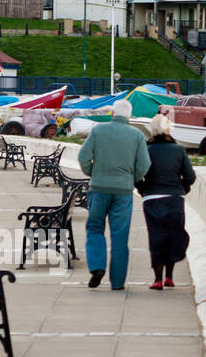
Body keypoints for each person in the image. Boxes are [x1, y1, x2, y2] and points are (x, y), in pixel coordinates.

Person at [77, 98, 150, 291]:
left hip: (98, 189)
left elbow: (83, 157)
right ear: (130, 116)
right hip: (123, 193)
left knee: (94, 228)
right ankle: (117, 283)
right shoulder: (137, 135)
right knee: (120, 237)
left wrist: (92, 173)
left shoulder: (98, 130)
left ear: (112, 114)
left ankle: (97, 267)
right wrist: (131, 178)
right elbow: (144, 164)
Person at [137, 114, 195, 289]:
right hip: (175, 199)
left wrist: (143, 190)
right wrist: (182, 188)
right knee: (173, 235)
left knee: (156, 237)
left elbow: (137, 174)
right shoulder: (178, 150)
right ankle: (170, 277)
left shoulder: (146, 150)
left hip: (153, 198)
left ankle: (157, 279)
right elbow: (190, 176)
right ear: (168, 129)